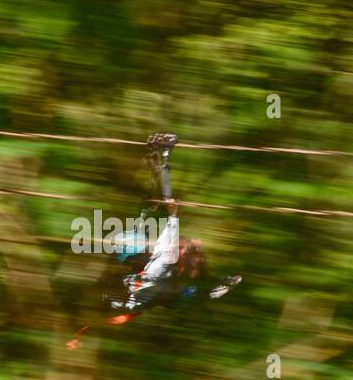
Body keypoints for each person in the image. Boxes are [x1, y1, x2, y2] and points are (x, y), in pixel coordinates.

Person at [68, 133, 240, 348]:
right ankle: (211, 285)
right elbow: (161, 214)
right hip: (143, 290)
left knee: (153, 217)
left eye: (192, 249)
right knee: (150, 215)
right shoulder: (159, 263)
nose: (197, 243)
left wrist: (166, 158)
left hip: (138, 292)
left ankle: (162, 154)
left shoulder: (162, 262)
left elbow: (169, 211)